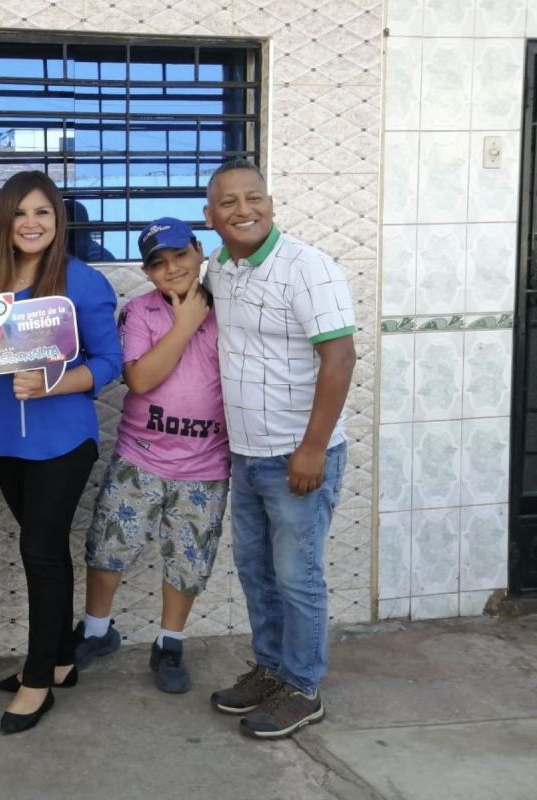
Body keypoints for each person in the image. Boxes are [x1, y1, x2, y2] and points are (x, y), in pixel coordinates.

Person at [203, 159, 356, 739]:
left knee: (299, 577)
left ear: (270, 202)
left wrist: (312, 448)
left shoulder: (308, 268)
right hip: (246, 455)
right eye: (230, 202)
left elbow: (339, 358)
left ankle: (303, 687)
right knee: (257, 572)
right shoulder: (222, 267)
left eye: (254, 198)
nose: (245, 210)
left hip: (299, 456)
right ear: (211, 215)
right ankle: (269, 670)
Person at [0, 171, 122, 734]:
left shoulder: (81, 282)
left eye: (44, 213)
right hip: (6, 440)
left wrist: (53, 383)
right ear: (5, 222)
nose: (31, 224)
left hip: (62, 440)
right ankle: (60, 660)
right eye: (20, 213)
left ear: (58, 223)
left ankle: (37, 681)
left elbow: (111, 362)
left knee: (37, 550)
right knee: (47, 547)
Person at [74, 218, 230, 695]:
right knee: (107, 547)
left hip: (206, 463)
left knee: (188, 559)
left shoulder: (230, 309)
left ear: (200, 252)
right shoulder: (140, 312)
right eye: (158, 263)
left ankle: (170, 643)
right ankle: (97, 631)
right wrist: (185, 324)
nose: (172, 268)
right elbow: (140, 379)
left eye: (181, 255)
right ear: (146, 272)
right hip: (140, 455)